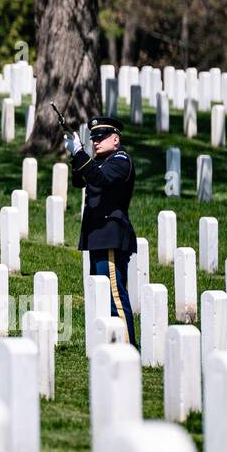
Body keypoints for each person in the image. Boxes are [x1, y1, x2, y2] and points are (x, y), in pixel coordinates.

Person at [68, 115, 137, 345]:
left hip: (110, 235)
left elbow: (99, 179)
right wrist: (74, 154)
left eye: (101, 137)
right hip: (97, 235)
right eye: (93, 138)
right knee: (99, 293)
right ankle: (109, 343)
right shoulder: (101, 161)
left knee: (114, 294)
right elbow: (80, 180)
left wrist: (80, 154)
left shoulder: (120, 160)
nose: (96, 142)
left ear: (115, 139)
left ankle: (128, 345)